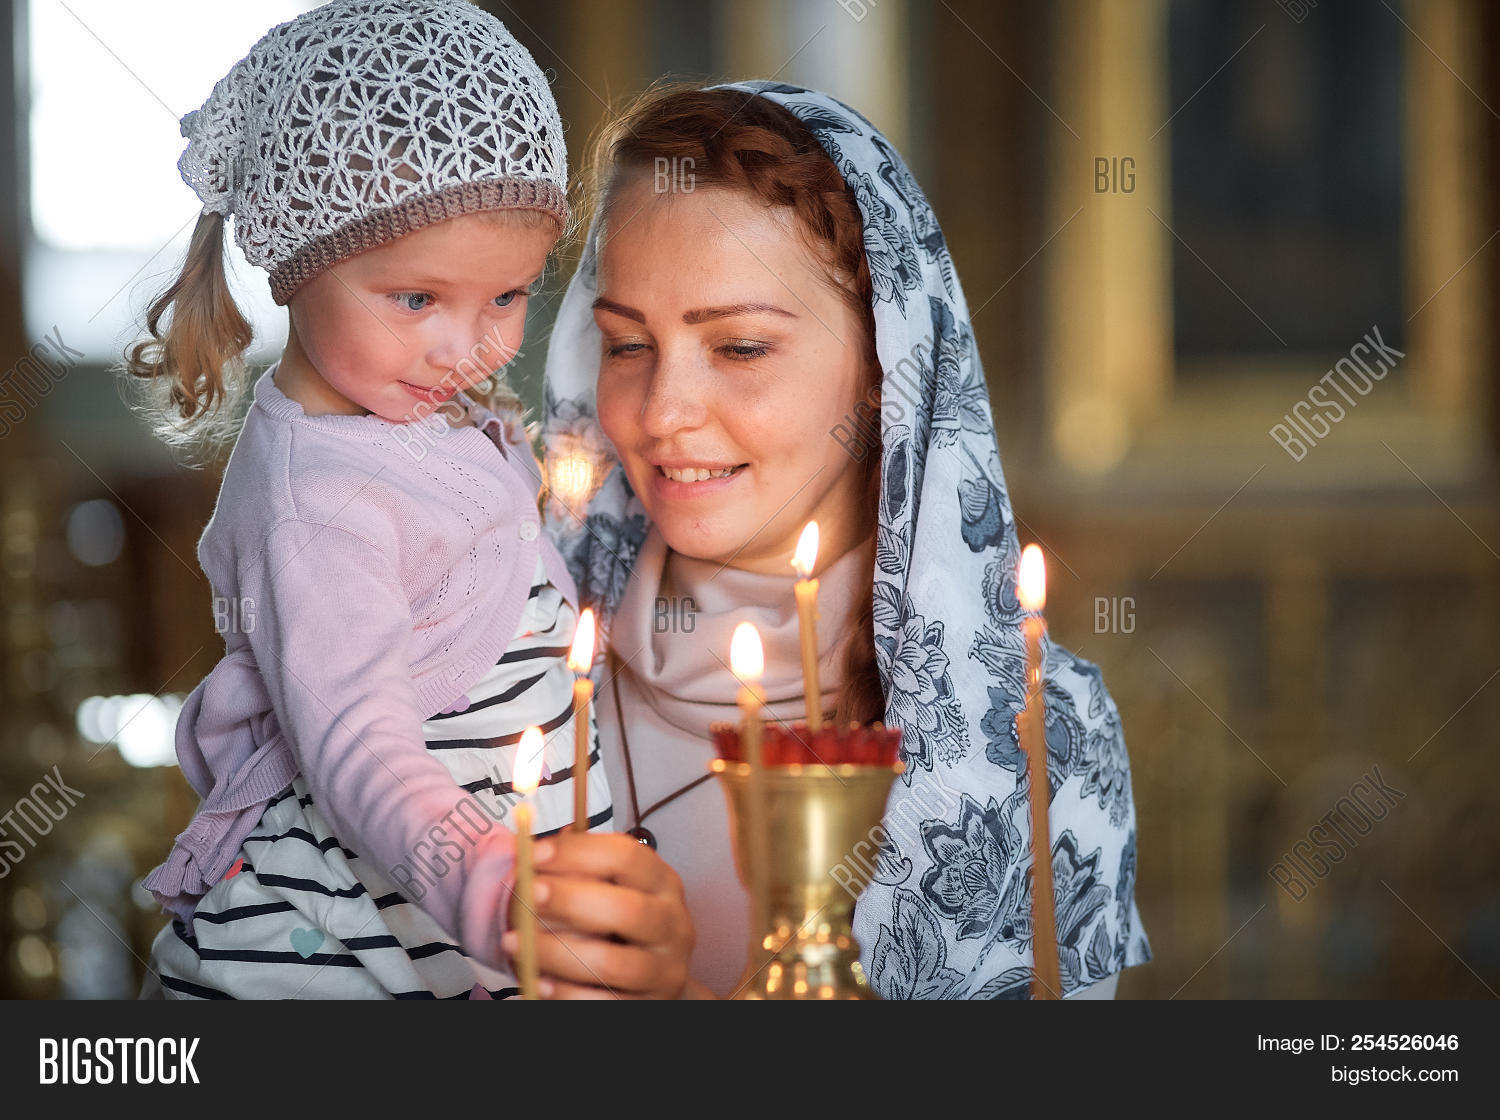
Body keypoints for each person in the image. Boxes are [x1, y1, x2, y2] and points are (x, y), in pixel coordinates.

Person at [539, 81, 1153, 998]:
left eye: (740, 347)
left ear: (883, 366)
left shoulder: (1034, 734)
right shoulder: (514, 664)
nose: (662, 413)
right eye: (628, 344)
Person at [128, 0, 638, 999]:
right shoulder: (315, 503)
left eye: (506, 296)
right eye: (417, 299)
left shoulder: (412, 416)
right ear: (298, 267)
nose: (471, 347)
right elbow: (356, 742)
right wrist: (492, 882)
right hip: (343, 945)